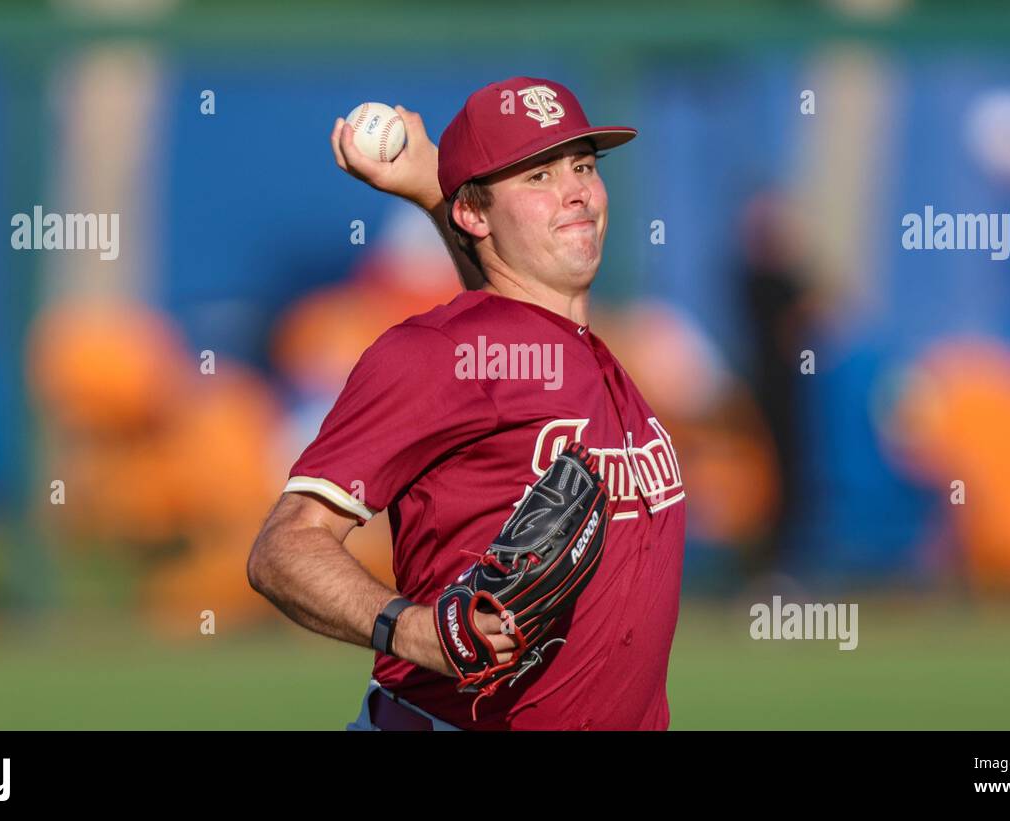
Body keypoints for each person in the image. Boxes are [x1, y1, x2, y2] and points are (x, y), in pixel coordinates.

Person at [246, 77, 687, 730]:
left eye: (584, 166)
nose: (576, 192)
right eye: (537, 176)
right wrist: (409, 627)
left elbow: (508, 309)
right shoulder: (431, 353)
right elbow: (283, 548)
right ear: (474, 214)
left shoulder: (588, 353)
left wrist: (435, 186)